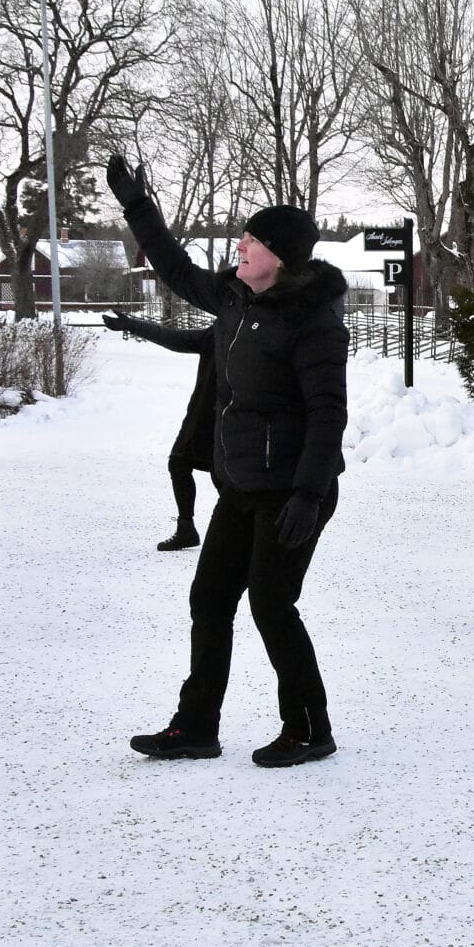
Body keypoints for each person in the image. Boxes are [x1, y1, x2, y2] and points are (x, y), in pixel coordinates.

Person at [108, 156, 349, 768]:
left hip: (294, 489)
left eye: (253, 239)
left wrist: (308, 495)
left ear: (281, 256)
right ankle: (195, 727)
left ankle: (309, 728)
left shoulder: (313, 322)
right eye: (243, 238)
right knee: (209, 600)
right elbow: (174, 268)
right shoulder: (235, 299)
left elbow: (328, 415)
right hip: (241, 485)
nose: (240, 246)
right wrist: (139, 207)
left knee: (272, 604)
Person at [100, 309, 216, 550]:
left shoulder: (256, 333)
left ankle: (246, 533)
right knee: (179, 462)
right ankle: (186, 528)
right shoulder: (217, 334)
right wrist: (132, 325)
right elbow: (174, 338)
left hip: (235, 418)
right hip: (202, 414)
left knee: (227, 479)